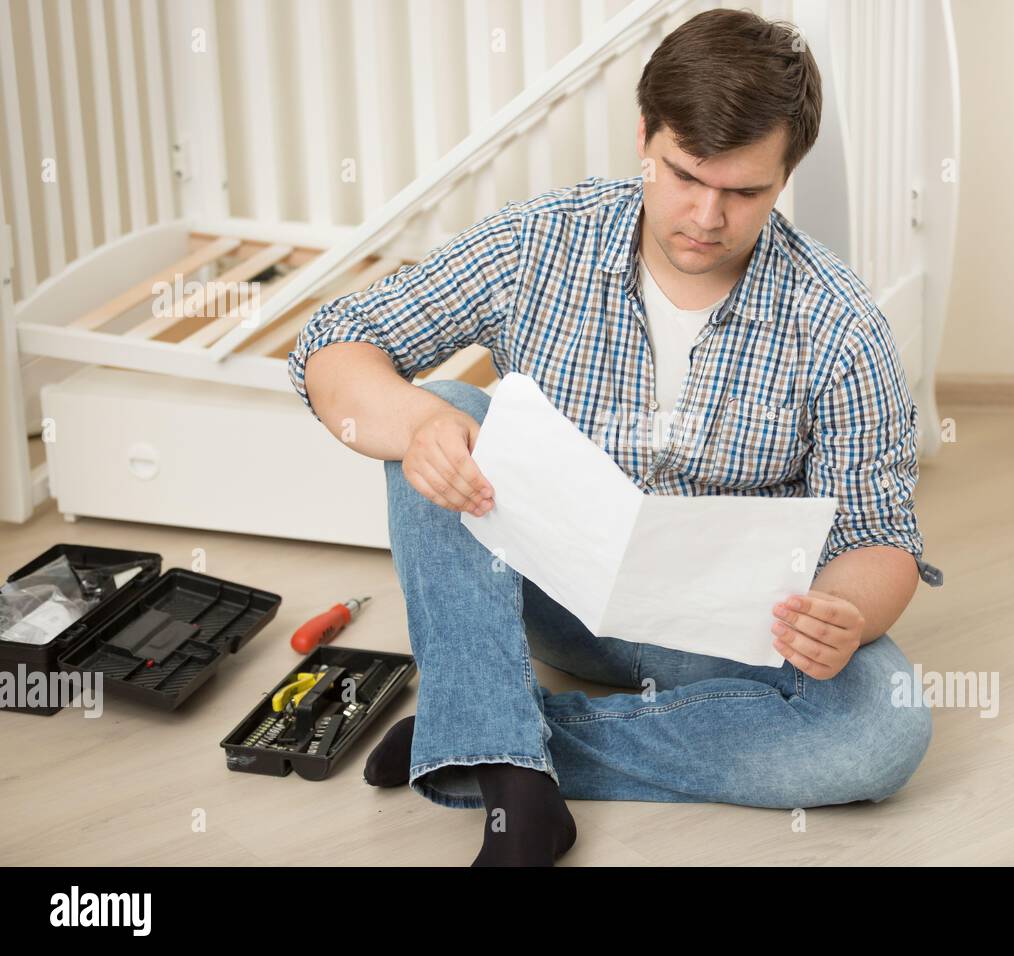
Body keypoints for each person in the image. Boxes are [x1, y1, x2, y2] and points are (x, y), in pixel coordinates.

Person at [288, 7, 943, 867]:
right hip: (545, 590)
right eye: (683, 176)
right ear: (645, 135)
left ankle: (483, 737)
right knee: (448, 404)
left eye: (744, 191)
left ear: (786, 175)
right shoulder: (541, 241)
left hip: (721, 627)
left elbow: (881, 536)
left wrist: (846, 613)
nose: (707, 216)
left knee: (884, 721)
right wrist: (419, 424)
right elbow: (331, 342)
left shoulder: (841, 323)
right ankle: (512, 776)